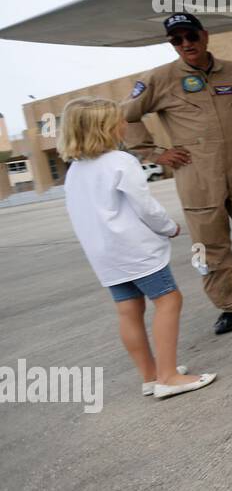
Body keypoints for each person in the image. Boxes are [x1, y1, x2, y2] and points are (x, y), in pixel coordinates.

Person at [122, 13, 232, 334]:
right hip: (197, 177)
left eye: (190, 36)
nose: (185, 44)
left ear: (205, 36)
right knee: (208, 246)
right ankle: (231, 307)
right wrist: (155, 153)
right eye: (177, 40)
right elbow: (126, 116)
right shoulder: (159, 79)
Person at [59, 97, 216, 399]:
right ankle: (168, 377)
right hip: (134, 250)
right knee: (169, 300)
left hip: (104, 255)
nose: (123, 125)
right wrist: (169, 227)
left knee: (128, 311)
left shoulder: (74, 172)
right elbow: (145, 207)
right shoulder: (120, 162)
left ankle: (150, 375)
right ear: (104, 128)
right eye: (118, 121)